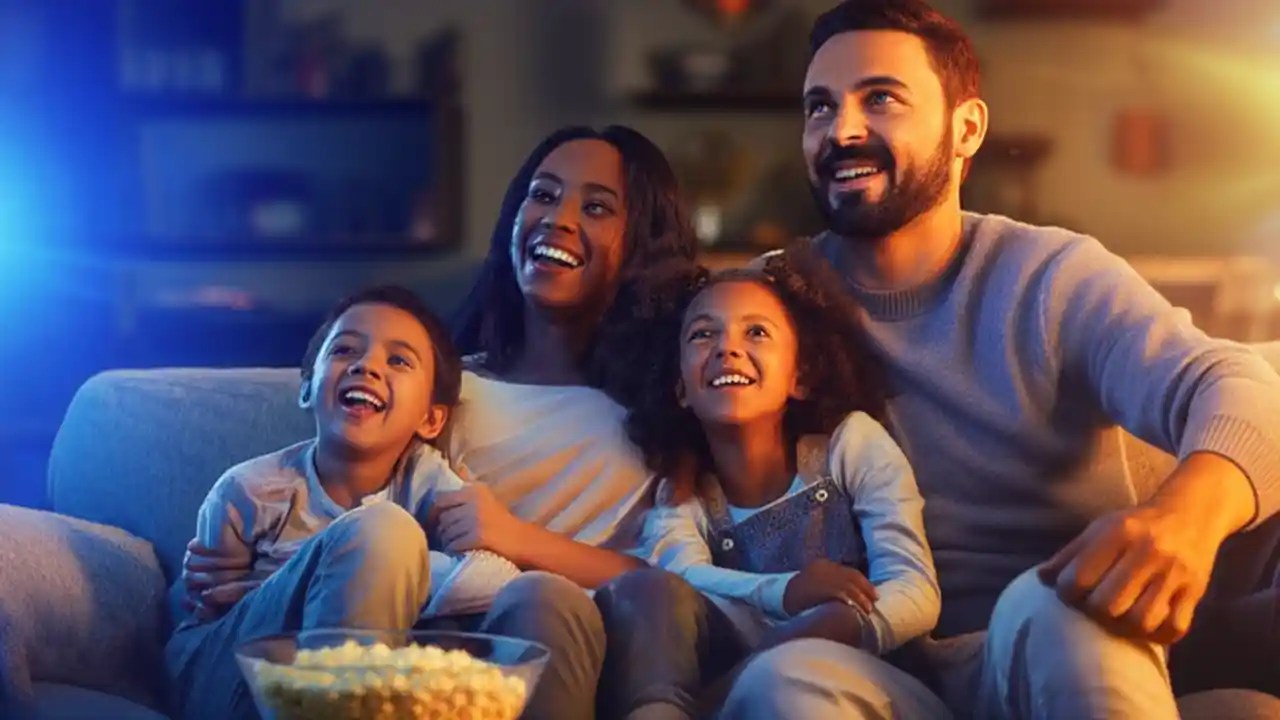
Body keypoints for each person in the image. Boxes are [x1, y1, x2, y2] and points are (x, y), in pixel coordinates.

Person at [724, 1, 1280, 718]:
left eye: (881, 99)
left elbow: (1240, 386)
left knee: (1058, 600)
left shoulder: (1050, 278)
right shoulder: (768, 299)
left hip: (1042, 644)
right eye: (819, 107)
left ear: (967, 130)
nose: (842, 131)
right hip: (872, 662)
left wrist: (1183, 519)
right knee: (784, 680)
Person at [180, 124, 700, 720]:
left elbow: (666, 583)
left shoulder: (665, 411)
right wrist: (271, 579)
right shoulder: (439, 388)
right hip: (410, 634)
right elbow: (354, 526)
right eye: (544, 194)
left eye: (597, 206)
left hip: (560, 636)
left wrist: (514, 537)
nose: (558, 217)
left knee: (546, 596)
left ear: (644, 242)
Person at [596, 245, 947, 719]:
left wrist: (841, 621)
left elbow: (916, 588)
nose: (727, 348)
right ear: (679, 387)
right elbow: (679, 577)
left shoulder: (850, 444)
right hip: (738, 694)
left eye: (756, 332)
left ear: (799, 375)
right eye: (703, 334)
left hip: (873, 689)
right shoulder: (683, 494)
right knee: (647, 589)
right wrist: (788, 592)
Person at [165, 285, 468, 720]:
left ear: (431, 418)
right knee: (383, 528)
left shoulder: (429, 483)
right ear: (307, 389)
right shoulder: (251, 490)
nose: (366, 366)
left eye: (398, 360)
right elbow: (206, 607)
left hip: (364, 677)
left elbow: (486, 576)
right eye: (345, 350)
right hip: (231, 673)